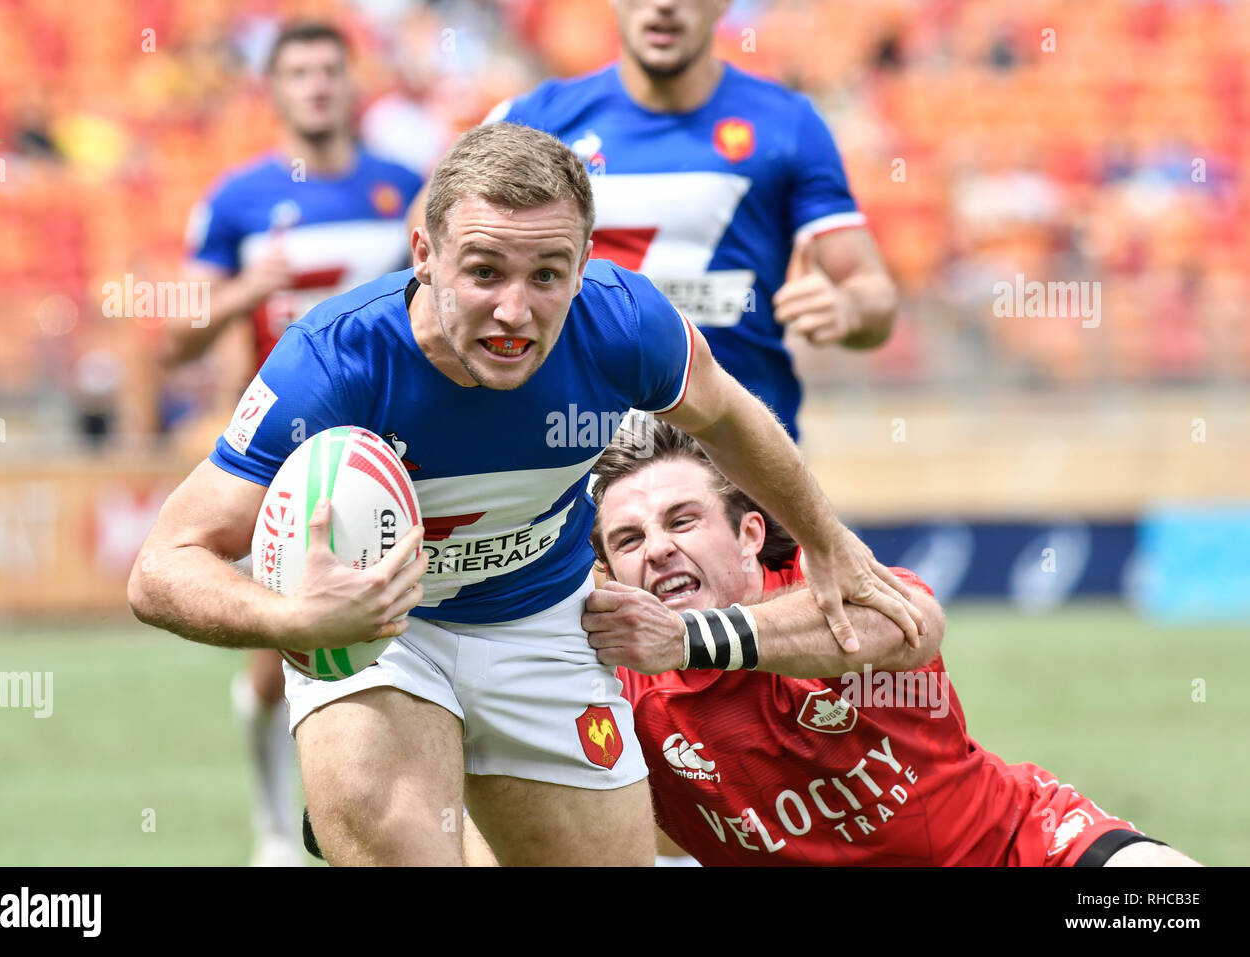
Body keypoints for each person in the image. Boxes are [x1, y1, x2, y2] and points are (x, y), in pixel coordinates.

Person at [128, 121, 925, 866]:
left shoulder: (622, 324)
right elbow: (163, 564)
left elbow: (726, 414)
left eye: (548, 275)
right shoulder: (333, 365)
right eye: (483, 272)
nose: (515, 310)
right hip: (382, 630)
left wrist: (826, 540)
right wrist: (294, 619)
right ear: (424, 255)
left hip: (543, 624)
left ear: (583, 266)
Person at [584, 418, 1201, 866]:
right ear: (608, 573)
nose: (659, 548)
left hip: (1019, 848)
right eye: (630, 539)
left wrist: (691, 638)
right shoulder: (607, 680)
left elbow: (912, 624)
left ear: (749, 534)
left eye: (682, 520)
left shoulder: (823, 580)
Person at [171, 20, 423, 866]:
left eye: (329, 70)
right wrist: (249, 288)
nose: (317, 85)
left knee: (420, 627)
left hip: (406, 445)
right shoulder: (238, 200)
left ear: (353, 83)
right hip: (289, 457)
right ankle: (276, 825)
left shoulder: (406, 191)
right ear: (273, 90)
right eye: (299, 72)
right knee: (284, 649)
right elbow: (175, 338)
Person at [488, 0, 897, 438]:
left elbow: (873, 296)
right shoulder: (531, 122)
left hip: (737, 457)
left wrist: (846, 309)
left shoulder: (788, 125)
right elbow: (432, 256)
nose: (664, 6)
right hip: (572, 449)